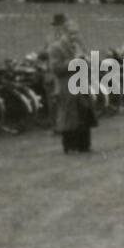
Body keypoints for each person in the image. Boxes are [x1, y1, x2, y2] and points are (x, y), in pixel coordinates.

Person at [46, 14, 95, 154]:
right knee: (69, 118)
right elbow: (56, 68)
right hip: (67, 86)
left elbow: (88, 62)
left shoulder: (80, 46)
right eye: (72, 33)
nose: (75, 36)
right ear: (64, 33)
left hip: (82, 85)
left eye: (77, 33)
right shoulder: (55, 47)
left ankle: (85, 145)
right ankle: (70, 146)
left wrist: (87, 60)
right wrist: (75, 61)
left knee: (84, 114)